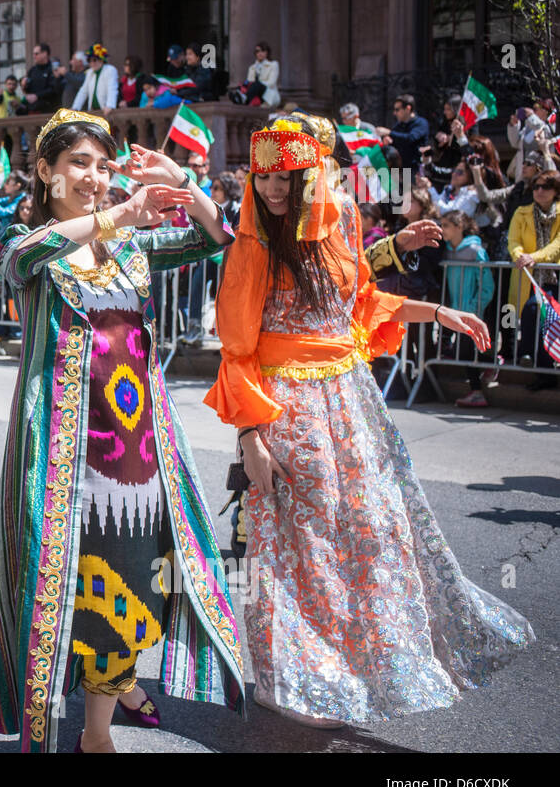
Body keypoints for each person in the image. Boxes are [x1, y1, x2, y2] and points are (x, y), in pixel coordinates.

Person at [205, 117, 533, 727]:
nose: (274, 190)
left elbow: (362, 306)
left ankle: (355, 666)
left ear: (311, 175)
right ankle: (296, 677)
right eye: (264, 178)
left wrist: (436, 311)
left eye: (288, 177)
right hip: (288, 411)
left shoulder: (344, 224)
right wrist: (251, 435)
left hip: (352, 405)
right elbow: (237, 351)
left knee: (374, 530)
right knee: (302, 545)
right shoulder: (252, 246)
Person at [0, 109, 246, 753]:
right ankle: (99, 723)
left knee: (127, 578)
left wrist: (184, 180)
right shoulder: (35, 244)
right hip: (67, 454)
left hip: (139, 451)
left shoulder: (131, 246)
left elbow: (216, 241)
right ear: (44, 171)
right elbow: (16, 261)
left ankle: (102, 713)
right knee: (63, 582)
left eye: (103, 167)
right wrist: (116, 214)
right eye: (79, 163)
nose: (94, 177)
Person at [506, 170, 560, 389]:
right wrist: (520, 256)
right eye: (536, 187)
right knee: (530, 313)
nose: (539, 191)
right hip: (527, 276)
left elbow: (557, 245)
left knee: (545, 319)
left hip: (553, 277)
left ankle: (535, 361)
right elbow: (513, 240)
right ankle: (540, 368)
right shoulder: (522, 212)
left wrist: (535, 258)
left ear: (555, 191)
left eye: (545, 187)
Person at [438, 209, 495, 407]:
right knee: (462, 352)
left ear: (459, 227)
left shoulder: (475, 251)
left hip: (471, 311)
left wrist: (474, 308)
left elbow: (487, 286)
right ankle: (487, 369)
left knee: (465, 353)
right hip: (455, 310)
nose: (442, 229)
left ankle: (478, 390)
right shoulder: (447, 249)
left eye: (446, 225)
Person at [376, 93, 430, 169]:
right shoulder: (399, 125)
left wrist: (389, 133)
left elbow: (410, 138)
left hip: (412, 168)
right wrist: (388, 140)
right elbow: (396, 140)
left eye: (397, 110)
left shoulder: (421, 123)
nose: (394, 113)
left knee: (407, 181)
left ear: (408, 108)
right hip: (398, 167)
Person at [228, 41, 280, 107]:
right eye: (257, 51)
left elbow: (271, 83)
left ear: (267, 52)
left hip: (268, 94)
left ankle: (242, 99)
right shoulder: (252, 67)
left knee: (257, 84)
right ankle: (239, 98)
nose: (260, 53)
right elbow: (250, 82)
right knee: (244, 85)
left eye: (262, 51)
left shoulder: (273, 64)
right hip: (255, 94)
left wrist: (258, 85)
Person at [71, 44, 118, 112]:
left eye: (94, 60)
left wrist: (110, 105)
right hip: (93, 110)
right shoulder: (89, 72)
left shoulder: (110, 70)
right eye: (89, 61)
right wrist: (75, 107)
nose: (92, 63)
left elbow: (112, 88)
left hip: (105, 109)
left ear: (101, 60)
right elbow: (83, 91)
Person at [19, 42, 60, 114]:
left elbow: (54, 89)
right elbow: (28, 90)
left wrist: (37, 96)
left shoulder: (53, 68)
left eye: (36, 54)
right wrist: (24, 85)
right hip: (32, 110)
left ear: (45, 54)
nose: (34, 56)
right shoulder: (32, 70)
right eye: (33, 54)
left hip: (49, 110)